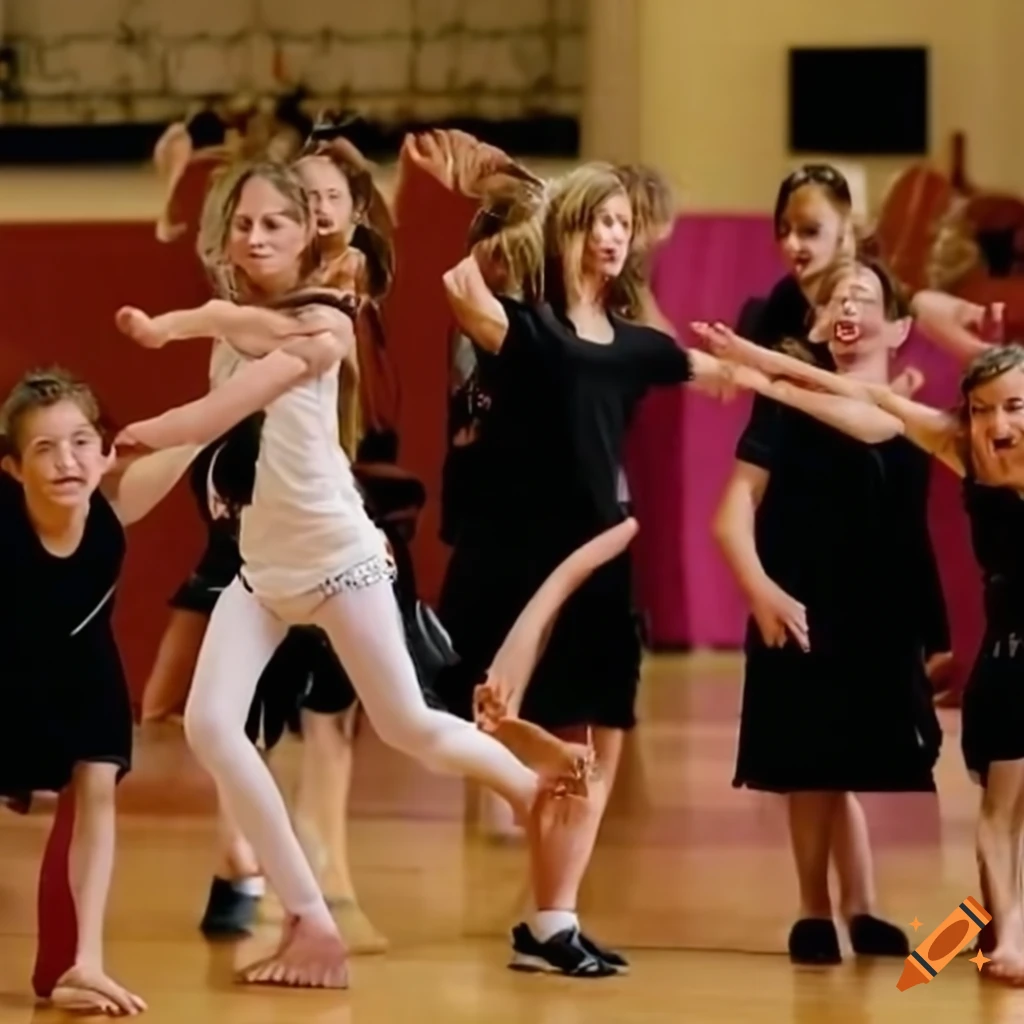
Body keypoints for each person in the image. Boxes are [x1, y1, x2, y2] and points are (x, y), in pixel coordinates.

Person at [115, 160, 601, 988]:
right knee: (209, 726)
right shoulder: (243, 320)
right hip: (263, 571)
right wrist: (164, 337)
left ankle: (529, 786)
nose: (256, 234)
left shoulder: (327, 322)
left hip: (340, 560)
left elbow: (217, 415)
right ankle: (309, 920)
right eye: (243, 223)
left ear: (311, 236)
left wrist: (135, 433)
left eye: (276, 222)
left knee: (408, 724)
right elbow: (217, 330)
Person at [437, 162, 733, 976]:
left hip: (601, 557)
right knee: (492, 727)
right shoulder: (524, 328)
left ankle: (552, 921)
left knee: (592, 740)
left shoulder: (635, 344)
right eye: (597, 219)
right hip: (522, 558)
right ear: (566, 230)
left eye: (622, 223)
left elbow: (717, 375)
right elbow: (460, 281)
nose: (614, 234)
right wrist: (528, 197)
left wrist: (776, 375)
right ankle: (544, 901)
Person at [703, 313, 1024, 984]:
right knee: (998, 807)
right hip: (1011, 656)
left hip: (952, 634)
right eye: (986, 409)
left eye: (1015, 407)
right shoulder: (963, 444)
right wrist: (760, 361)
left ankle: (991, 922)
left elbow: (898, 366)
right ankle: (1007, 940)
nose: (1000, 424)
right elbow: (872, 403)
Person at [702, 257, 943, 967]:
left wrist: (935, 635)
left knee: (846, 763)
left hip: (881, 611)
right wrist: (761, 590)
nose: (847, 304)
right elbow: (731, 514)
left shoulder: (909, 415)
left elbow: (909, 520)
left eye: (864, 296)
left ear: (898, 327)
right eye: (836, 296)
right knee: (811, 765)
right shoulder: (781, 405)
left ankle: (864, 905)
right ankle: (817, 908)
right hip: (801, 599)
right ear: (815, 322)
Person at [0, 367, 203, 1015]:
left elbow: (207, 425)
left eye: (83, 441)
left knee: (96, 788)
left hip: (82, 675)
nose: (67, 461)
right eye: (44, 448)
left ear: (106, 450)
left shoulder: (116, 506)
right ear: (11, 468)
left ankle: (84, 962)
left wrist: (269, 353)